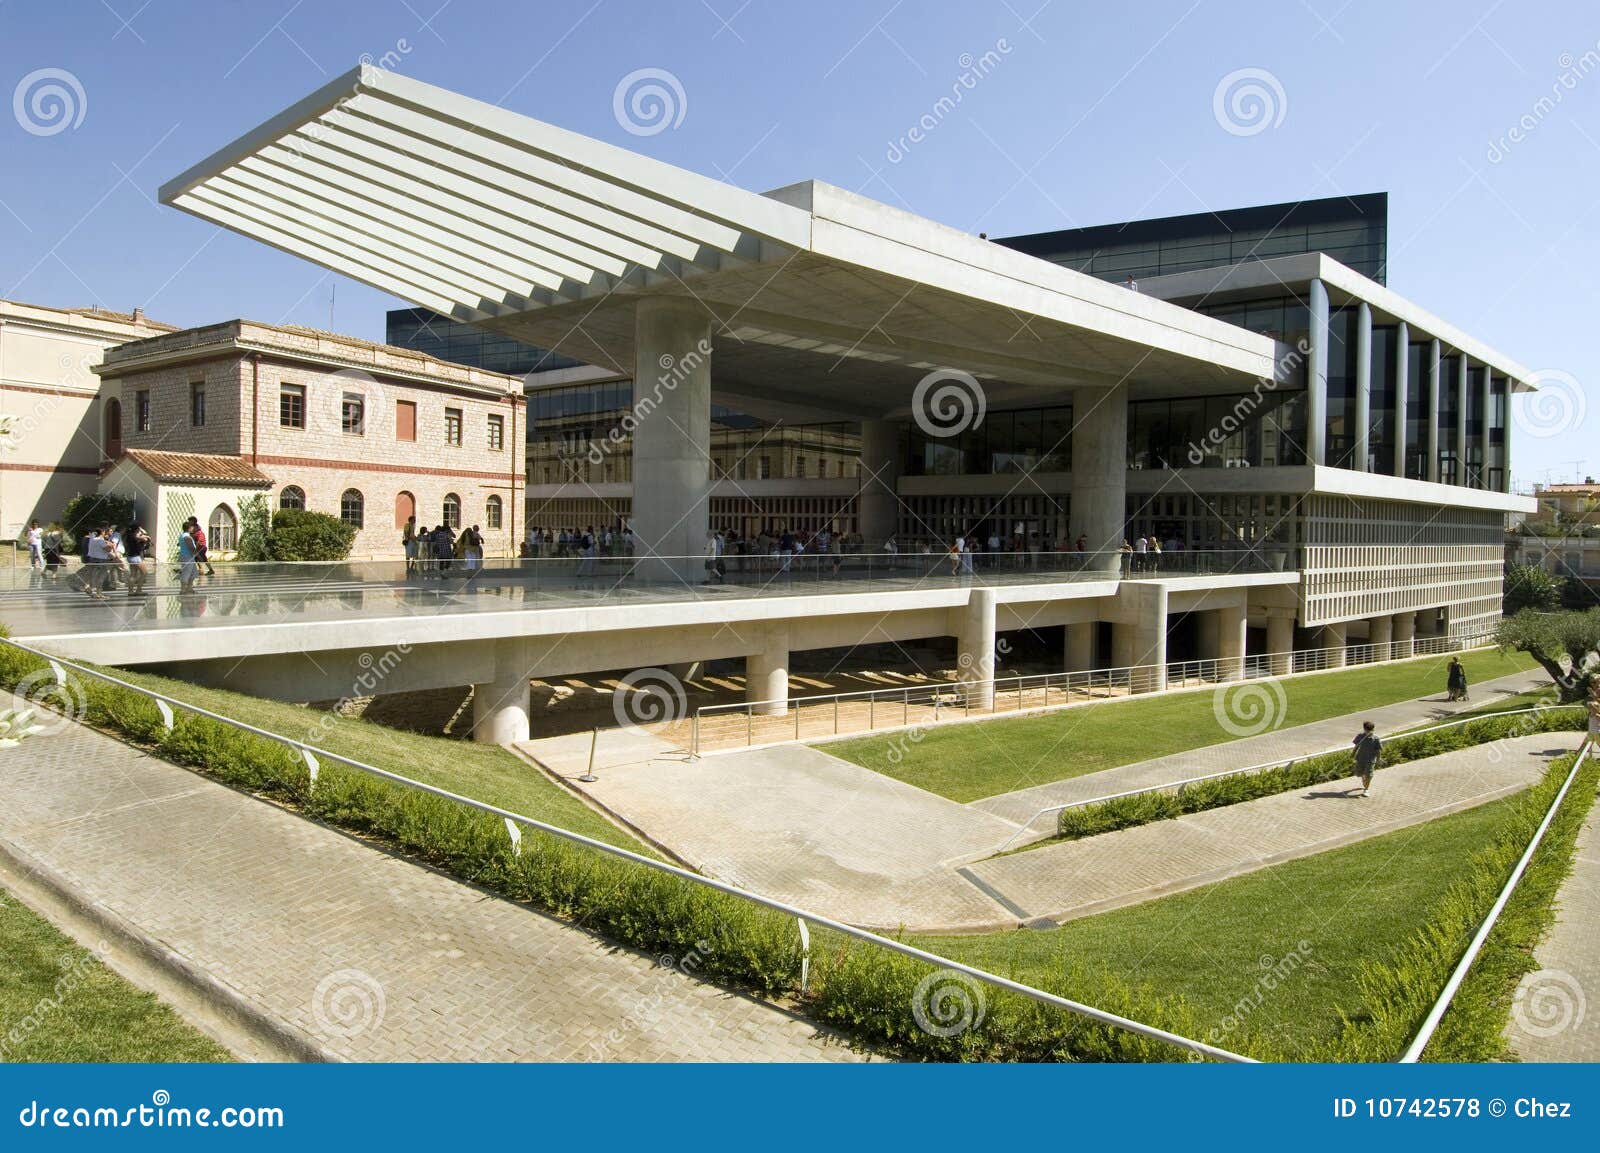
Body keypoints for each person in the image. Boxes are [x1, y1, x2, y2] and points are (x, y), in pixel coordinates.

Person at [1351, 720, 1382, 797]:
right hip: (1360, 758)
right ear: (1364, 729)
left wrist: (1378, 759)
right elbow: (1356, 746)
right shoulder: (1360, 736)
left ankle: (1366, 789)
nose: (1369, 732)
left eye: (1371, 730)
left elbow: (1378, 750)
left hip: (1370, 760)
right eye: (1367, 730)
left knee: (1369, 774)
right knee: (1359, 773)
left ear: (1373, 729)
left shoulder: (1376, 739)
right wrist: (1352, 754)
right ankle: (1364, 777)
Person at [176, 521, 199, 594]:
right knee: (186, 573)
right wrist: (197, 555)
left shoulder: (183, 535)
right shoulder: (186, 537)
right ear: (189, 528)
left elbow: (179, 544)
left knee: (193, 573)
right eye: (192, 527)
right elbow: (191, 547)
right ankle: (183, 590)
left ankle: (189, 588)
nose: (193, 528)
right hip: (187, 557)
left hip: (188, 557)